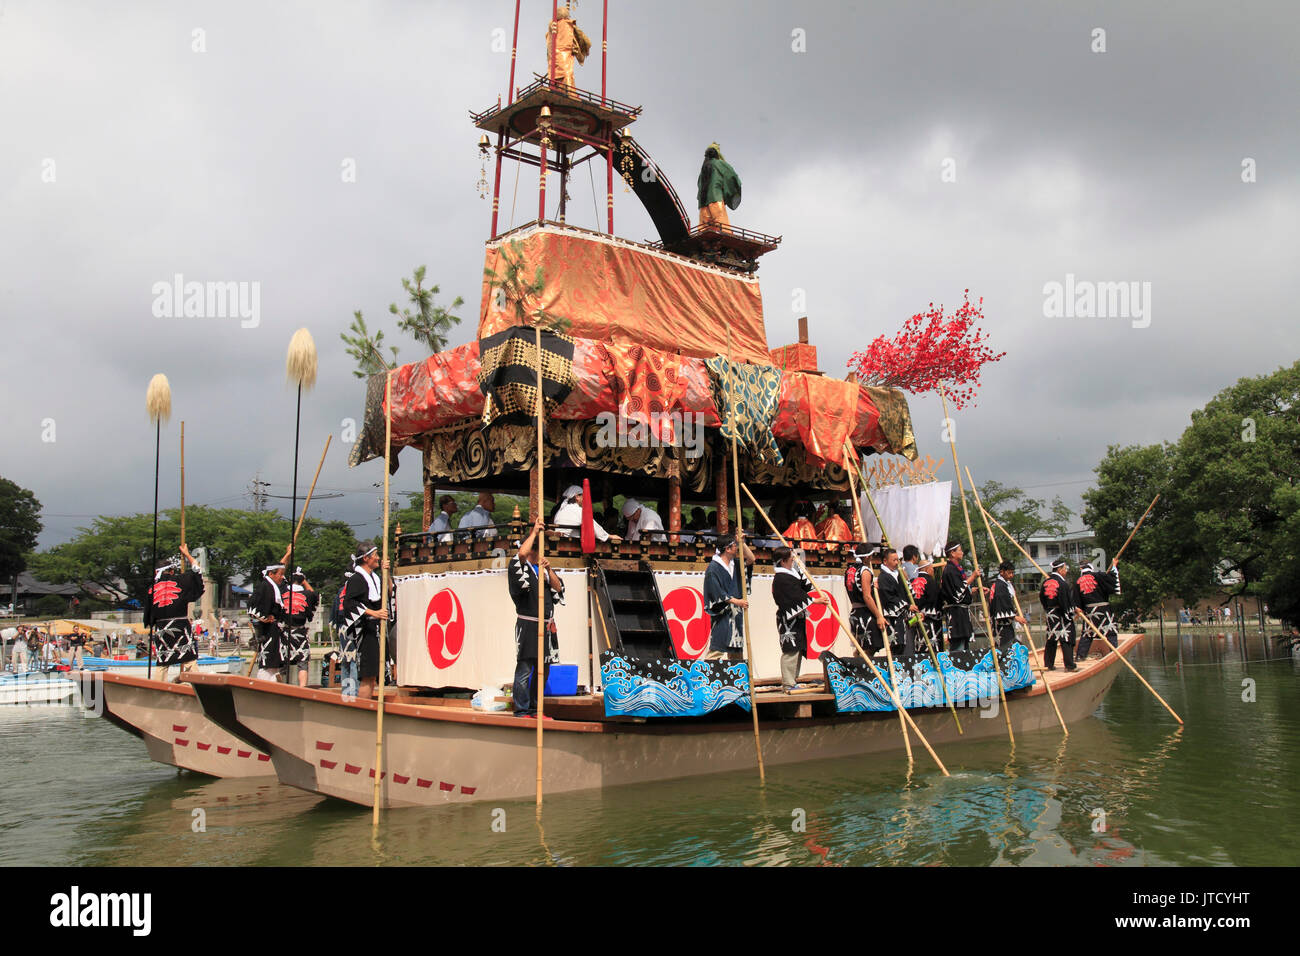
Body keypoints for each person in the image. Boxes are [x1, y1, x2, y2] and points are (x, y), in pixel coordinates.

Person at [508, 519, 564, 717]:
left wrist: (549, 570)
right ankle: (522, 709)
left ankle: (535, 708)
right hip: (529, 624)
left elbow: (558, 588)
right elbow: (522, 554)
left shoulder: (543, 570)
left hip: (547, 626)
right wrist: (533, 533)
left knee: (544, 670)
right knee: (525, 668)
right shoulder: (519, 566)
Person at [144, 543, 205, 682]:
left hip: (161, 628)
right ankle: (198, 686)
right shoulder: (181, 581)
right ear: (172, 571)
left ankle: (157, 689)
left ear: (156, 572)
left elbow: (148, 614)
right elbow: (197, 570)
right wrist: (187, 555)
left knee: (162, 663)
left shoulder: (151, 588)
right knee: (189, 660)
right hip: (181, 625)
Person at [772, 546, 828, 692]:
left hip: (796, 617)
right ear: (783, 561)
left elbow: (805, 585)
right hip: (788, 618)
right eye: (791, 559)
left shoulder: (790, 574)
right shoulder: (781, 578)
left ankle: (793, 681)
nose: (793, 561)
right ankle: (788, 684)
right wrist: (816, 601)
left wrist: (800, 567)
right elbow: (795, 596)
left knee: (797, 649)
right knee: (790, 650)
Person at [338, 546, 389, 700]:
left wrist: (386, 572)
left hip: (375, 630)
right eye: (376, 555)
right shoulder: (357, 579)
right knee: (367, 674)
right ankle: (361, 707)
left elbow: (387, 594)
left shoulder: (375, 577)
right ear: (366, 558)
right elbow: (349, 604)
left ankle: (366, 705)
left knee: (374, 674)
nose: (378, 557)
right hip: (364, 631)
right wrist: (374, 613)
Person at [703, 533, 754, 661]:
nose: (737, 548)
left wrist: (742, 542)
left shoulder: (735, 564)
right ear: (728, 548)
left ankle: (737, 678)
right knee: (717, 647)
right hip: (723, 612)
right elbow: (715, 591)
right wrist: (736, 601)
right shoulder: (713, 568)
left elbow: (751, 559)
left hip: (736, 612)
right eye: (735, 546)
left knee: (736, 649)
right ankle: (707, 677)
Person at [845, 545, 888, 656]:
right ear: (867, 557)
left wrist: (873, 586)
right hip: (865, 614)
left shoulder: (849, 570)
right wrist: (879, 616)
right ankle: (863, 669)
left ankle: (859, 663)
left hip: (855, 613)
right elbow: (867, 596)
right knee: (871, 646)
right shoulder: (865, 571)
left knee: (862, 646)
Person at [1074, 558, 1120, 660]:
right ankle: (1115, 652)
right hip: (1103, 609)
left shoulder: (1078, 581)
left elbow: (1077, 600)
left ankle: (1080, 656)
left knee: (1087, 634)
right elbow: (1112, 581)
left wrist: (1078, 609)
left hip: (1089, 611)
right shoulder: (1099, 575)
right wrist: (1114, 567)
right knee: (1110, 631)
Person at [251, 562, 290, 682]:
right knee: (267, 661)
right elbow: (253, 605)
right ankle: (263, 686)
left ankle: (273, 684)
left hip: (274, 629)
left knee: (274, 663)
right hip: (267, 630)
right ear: (271, 574)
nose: (282, 577)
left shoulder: (272, 586)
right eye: (280, 574)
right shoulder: (265, 586)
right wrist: (264, 618)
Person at [1039, 557, 1079, 672]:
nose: (1066, 571)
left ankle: (1048, 664)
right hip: (1061, 614)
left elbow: (1042, 598)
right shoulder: (1062, 583)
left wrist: (1048, 609)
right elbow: (1065, 601)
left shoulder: (1045, 582)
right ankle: (1069, 665)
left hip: (1051, 614)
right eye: (1065, 569)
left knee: (1051, 638)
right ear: (1060, 570)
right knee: (1066, 637)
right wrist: (1072, 611)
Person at [875, 547, 918, 656]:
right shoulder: (883, 577)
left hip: (904, 617)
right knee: (897, 646)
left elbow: (909, 592)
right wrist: (907, 606)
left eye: (897, 560)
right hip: (893, 617)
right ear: (885, 561)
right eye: (893, 560)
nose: (896, 563)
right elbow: (889, 597)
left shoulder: (899, 574)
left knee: (907, 646)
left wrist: (905, 577)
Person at [940, 540, 980, 654]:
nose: (962, 553)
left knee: (965, 644)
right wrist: (972, 577)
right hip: (956, 614)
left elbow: (961, 590)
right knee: (959, 647)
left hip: (962, 613)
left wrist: (973, 590)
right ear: (952, 553)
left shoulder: (956, 569)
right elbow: (956, 593)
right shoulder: (950, 570)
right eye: (960, 550)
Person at [284, 567, 319, 688]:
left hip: (283, 630)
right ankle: (302, 688)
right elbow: (315, 595)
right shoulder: (308, 594)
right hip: (300, 630)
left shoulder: (282, 592)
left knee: (282, 659)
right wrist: (305, 582)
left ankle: (280, 686)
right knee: (302, 661)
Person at [545, 5, 590, 93]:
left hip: (556, 61)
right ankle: (568, 91)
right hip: (563, 60)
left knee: (559, 78)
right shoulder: (566, 25)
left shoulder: (552, 28)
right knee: (566, 79)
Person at [697, 142, 742, 231]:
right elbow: (731, 176)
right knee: (724, 232)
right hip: (716, 202)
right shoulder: (719, 164)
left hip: (703, 206)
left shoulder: (703, 170)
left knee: (704, 233)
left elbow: (699, 185)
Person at [553, 485, 621, 542]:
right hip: (573, 542)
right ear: (577, 497)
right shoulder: (579, 511)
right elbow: (593, 526)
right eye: (583, 496)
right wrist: (609, 536)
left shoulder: (560, 510)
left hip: (559, 540)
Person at [906, 553, 943, 652]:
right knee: (931, 648)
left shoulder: (912, 582)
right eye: (932, 568)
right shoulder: (931, 582)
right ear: (927, 569)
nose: (933, 571)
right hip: (929, 619)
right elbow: (935, 601)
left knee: (918, 646)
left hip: (914, 619)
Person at [990, 560, 1027, 651]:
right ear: (1002, 572)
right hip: (1001, 622)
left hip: (1007, 622)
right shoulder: (1000, 586)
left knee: (1010, 644)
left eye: (1012, 573)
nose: (1011, 575)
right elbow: (1001, 605)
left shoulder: (1005, 584)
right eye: (1009, 573)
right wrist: (1015, 617)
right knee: (1004, 646)